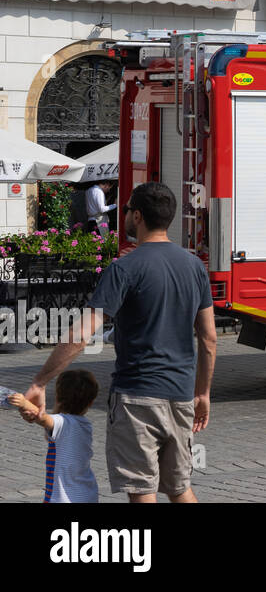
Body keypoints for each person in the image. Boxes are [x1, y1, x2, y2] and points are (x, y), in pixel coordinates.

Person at [23, 182, 217, 503]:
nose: (124, 214)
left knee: (142, 490)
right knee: (180, 488)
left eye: (126, 209)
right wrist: (203, 393)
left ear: (137, 216)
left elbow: (82, 334)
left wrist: (40, 381)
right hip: (181, 394)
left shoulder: (124, 268)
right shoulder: (195, 266)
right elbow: (209, 338)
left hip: (137, 397)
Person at [8, 370, 100, 503]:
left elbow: (42, 418)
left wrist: (23, 403)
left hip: (63, 496)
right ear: (91, 402)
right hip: (87, 492)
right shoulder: (85, 425)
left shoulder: (63, 423)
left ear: (57, 396)